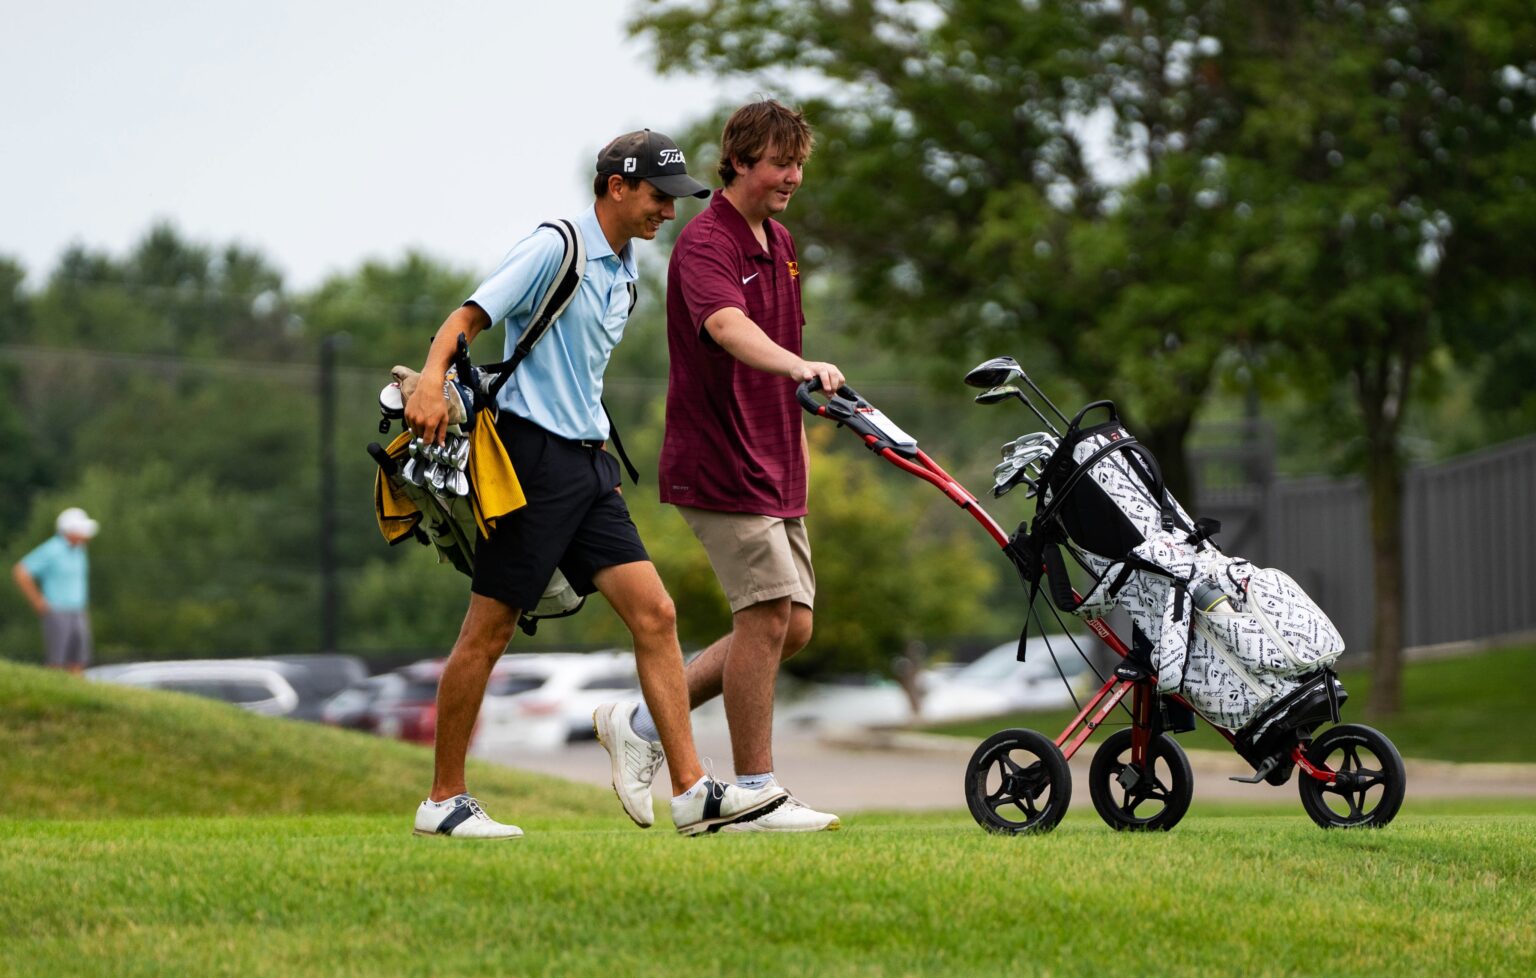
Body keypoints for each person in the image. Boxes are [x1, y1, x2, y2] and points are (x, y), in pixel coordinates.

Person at [405, 129, 787, 840]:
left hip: (587, 464)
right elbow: (466, 318)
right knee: (486, 632)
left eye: (674, 201)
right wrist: (432, 381)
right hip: (528, 462)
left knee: (657, 615)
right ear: (616, 187)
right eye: (656, 198)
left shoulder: (626, 267)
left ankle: (693, 791)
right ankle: (443, 800)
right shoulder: (558, 245)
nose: (667, 213)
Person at [595, 100, 844, 834]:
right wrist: (801, 364)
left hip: (774, 460)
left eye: (798, 162)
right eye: (777, 162)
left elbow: (777, 353)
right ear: (736, 161)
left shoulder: (782, 241)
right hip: (721, 459)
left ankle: (639, 720)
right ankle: (757, 790)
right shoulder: (706, 243)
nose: (792, 175)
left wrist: (798, 433)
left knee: (791, 625)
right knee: (764, 615)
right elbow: (727, 326)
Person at [13, 507, 100, 675]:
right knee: (56, 661)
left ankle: (77, 694)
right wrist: (38, 602)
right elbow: (21, 572)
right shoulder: (52, 549)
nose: (86, 536)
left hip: (78, 610)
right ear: (70, 531)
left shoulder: (80, 550)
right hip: (57, 610)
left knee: (78, 660)